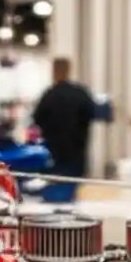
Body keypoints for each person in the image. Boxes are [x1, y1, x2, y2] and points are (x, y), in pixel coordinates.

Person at [33, 57, 96, 203]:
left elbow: (37, 118)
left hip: (54, 149)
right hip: (76, 147)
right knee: (71, 183)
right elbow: (92, 114)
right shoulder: (80, 93)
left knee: (54, 182)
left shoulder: (49, 95)